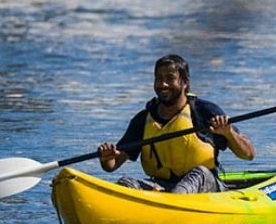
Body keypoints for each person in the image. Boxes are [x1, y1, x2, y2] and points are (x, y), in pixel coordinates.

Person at [97, 54, 255, 193]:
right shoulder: (143, 119)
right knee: (126, 182)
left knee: (198, 173)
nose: (163, 84)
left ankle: (170, 203)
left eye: (170, 78)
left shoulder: (204, 111)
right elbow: (112, 165)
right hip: (161, 186)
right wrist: (106, 158)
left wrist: (228, 133)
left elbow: (248, 154)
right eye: (159, 78)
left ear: (185, 82)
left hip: (205, 185)